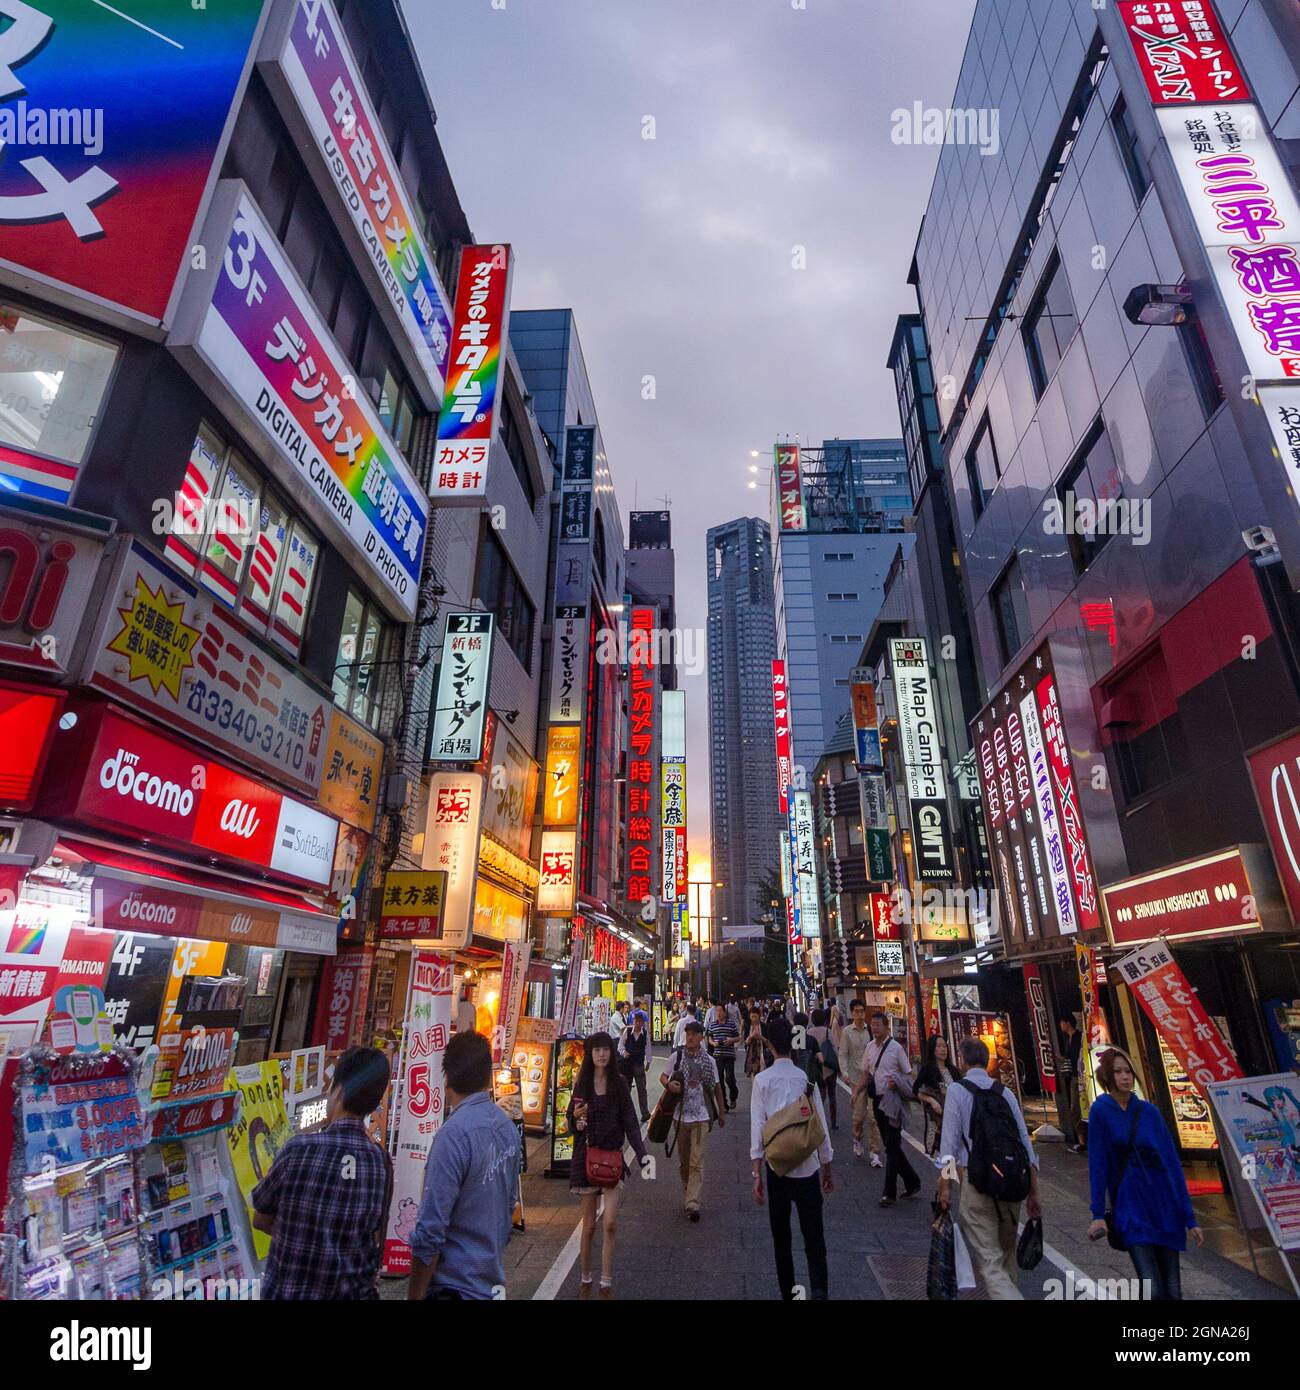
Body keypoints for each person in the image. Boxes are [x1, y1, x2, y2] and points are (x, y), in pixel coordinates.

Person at [251, 1046, 393, 1299]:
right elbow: (373, 1235)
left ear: (337, 1090)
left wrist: (298, 1238)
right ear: (373, 1104)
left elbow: (260, 1218)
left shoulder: (297, 1150)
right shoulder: (379, 1163)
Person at [408, 1031, 521, 1300]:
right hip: (490, 1281)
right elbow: (509, 1206)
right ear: (487, 1078)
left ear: (447, 1080)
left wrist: (414, 1295)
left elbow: (430, 1230)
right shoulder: (507, 1128)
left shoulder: (452, 1135)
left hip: (453, 1286)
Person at [1086, 1048, 1201, 1300]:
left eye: (1128, 1071)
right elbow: (1098, 1165)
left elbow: (1171, 1163)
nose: (1125, 1077)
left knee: (1173, 1289)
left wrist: (1189, 1217)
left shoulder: (1150, 1112)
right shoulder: (1101, 1111)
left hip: (1164, 1206)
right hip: (1130, 1207)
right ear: (1107, 1075)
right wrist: (1097, 1213)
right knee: (1153, 1287)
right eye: (1117, 1072)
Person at [936, 1036, 1043, 1300]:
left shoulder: (957, 1091)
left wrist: (945, 1187)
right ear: (987, 1062)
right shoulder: (1004, 1093)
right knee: (1007, 1262)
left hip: (977, 1183)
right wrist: (1034, 1192)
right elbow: (1024, 1144)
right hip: (1011, 1185)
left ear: (962, 1060)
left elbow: (948, 1145)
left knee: (991, 1263)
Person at [750, 1016, 833, 1300]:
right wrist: (827, 1167)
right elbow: (819, 1126)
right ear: (792, 1045)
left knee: (781, 1238)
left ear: (769, 1045)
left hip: (777, 1169)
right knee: (814, 1236)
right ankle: (820, 1290)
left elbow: (757, 1130)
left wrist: (756, 1174)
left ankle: (790, 1293)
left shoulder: (762, 1081)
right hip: (808, 1167)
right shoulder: (805, 1080)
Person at [568, 1031, 649, 1300]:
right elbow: (571, 1123)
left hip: (613, 1159)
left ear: (612, 1053)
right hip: (587, 1158)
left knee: (611, 1223)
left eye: (606, 1050)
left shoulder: (620, 1083)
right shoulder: (582, 1085)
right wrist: (576, 1119)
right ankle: (585, 1278)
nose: (602, 1054)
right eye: (597, 1050)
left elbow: (630, 1120)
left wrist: (643, 1154)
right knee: (589, 1225)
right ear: (590, 1055)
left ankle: (605, 1283)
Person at [659, 1019, 726, 1221]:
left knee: (697, 1161)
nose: (690, 1037)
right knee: (685, 1162)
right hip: (680, 1117)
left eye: (694, 1034)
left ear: (701, 1038)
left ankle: (692, 1202)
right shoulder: (676, 1057)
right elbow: (663, 1076)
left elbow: (716, 1087)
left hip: (701, 1117)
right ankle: (689, 1190)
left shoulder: (709, 1061)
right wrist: (669, 1085)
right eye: (688, 1033)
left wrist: (721, 1112)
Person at [861, 1011, 919, 1206]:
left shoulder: (896, 1049)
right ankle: (912, 1181)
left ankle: (889, 1192)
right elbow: (866, 1074)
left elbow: (909, 1074)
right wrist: (855, 1093)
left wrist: (898, 1083)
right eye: (873, 1024)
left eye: (878, 1024)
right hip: (878, 1100)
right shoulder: (869, 1048)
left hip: (893, 1100)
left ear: (886, 1027)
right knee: (889, 1143)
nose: (874, 1028)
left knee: (892, 1145)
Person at [840, 999, 883, 1167]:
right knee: (858, 1117)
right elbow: (843, 1054)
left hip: (873, 1079)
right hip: (856, 1079)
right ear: (851, 1013)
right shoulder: (847, 1032)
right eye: (856, 1011)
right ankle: (857, 1138)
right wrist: (844, 1072)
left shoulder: (871, 1031)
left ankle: (875, 1152)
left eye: (861, 1011)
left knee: (874, 1118)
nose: (859, 1014)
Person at [915, 1035, 960, 1157]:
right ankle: (947, 1175)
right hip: (937, 1119)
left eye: (944, 1046)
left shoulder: (954, 1070)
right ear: (932, 1049)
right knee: (944, 1156)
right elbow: (915, 1090)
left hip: (955, 1118)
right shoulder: (927, 1069)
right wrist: (931, 1101)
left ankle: (948, 1175)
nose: (943, 1049)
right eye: (939, 1046)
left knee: (954, 1157)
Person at [617, 1008, 652, 1122]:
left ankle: (645, 1113)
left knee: (642, 1090)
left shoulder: (645, 1034)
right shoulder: (627, 1032)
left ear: (642, 1022)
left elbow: (648, 1048)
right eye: (636, 1021)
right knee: (626, 1090)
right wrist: (624, 1053)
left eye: (640, 1021)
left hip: (639, 1064)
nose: (638, 1023)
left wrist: (648, 1061)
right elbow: (620, 1046)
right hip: (627, 1065)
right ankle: (624, 1113)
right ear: (633, 1021)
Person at [808, 1007, 839, 1130]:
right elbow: (835, 1049)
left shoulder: (809, 1032)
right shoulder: (828, 1031)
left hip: (816, 1069)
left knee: (819, 1096)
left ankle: (817, 1120)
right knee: (832, 1095)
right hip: (829, 1068)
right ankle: (834, 1122)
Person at [1057, 1012, 1084, 1152]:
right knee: (1075, 1109)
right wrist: (1058, 1057)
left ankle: (1087, 1139)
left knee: (1082, 1107)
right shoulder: (1068, 1039)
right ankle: (1081, 1141)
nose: (1060, 1025)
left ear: (1068, 1023)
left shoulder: (1080, 1037)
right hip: (1074, 1077)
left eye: (1062, 1022)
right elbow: (1070, 1059)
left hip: (1083, 1076)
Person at [706, 1002, 741, 1111]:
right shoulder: (713, 1024)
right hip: (718, 1055)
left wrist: (731, 1040)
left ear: (725, 1012)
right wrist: (713, 1043)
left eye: (720, 1011)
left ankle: (733, 1095)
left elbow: (738, 1037)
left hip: (729, 1054)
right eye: (717, 1011)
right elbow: (709, 1038)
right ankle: (724, 1104)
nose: (718, 1013)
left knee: (729, 1077)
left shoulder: (731, 1024)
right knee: (719, 1080)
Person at [743, 1006, 773, 1078]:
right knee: (754, 1076)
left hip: (763, 1054)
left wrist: (761, 1037)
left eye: (755, 1016)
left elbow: (768, 1042)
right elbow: (746, 1043)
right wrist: (751, 1037)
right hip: (752, 1054)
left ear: (759, 1016)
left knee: (763, 1075)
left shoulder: (764, 1026)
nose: (753, 1019)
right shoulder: (748, 1026)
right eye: (752, 1016)